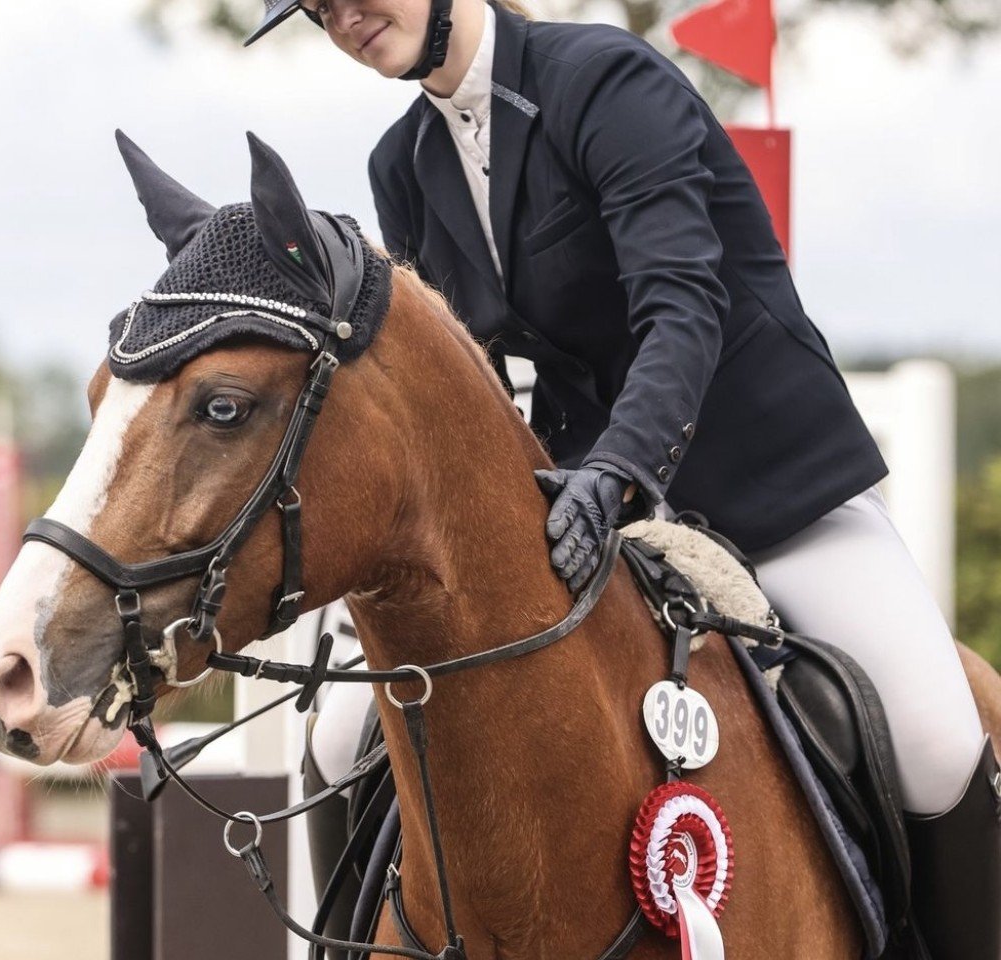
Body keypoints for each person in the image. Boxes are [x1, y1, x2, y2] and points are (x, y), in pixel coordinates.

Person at [244, 0, 1000, 955]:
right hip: (580, 516)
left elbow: (684, 305)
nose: (340, 16)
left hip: (771, 492)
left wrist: (621, 469)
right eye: (314, 8)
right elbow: (465, 388)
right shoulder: (404, 165)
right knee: (340, 729)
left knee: (937, 743)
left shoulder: (605, 80)